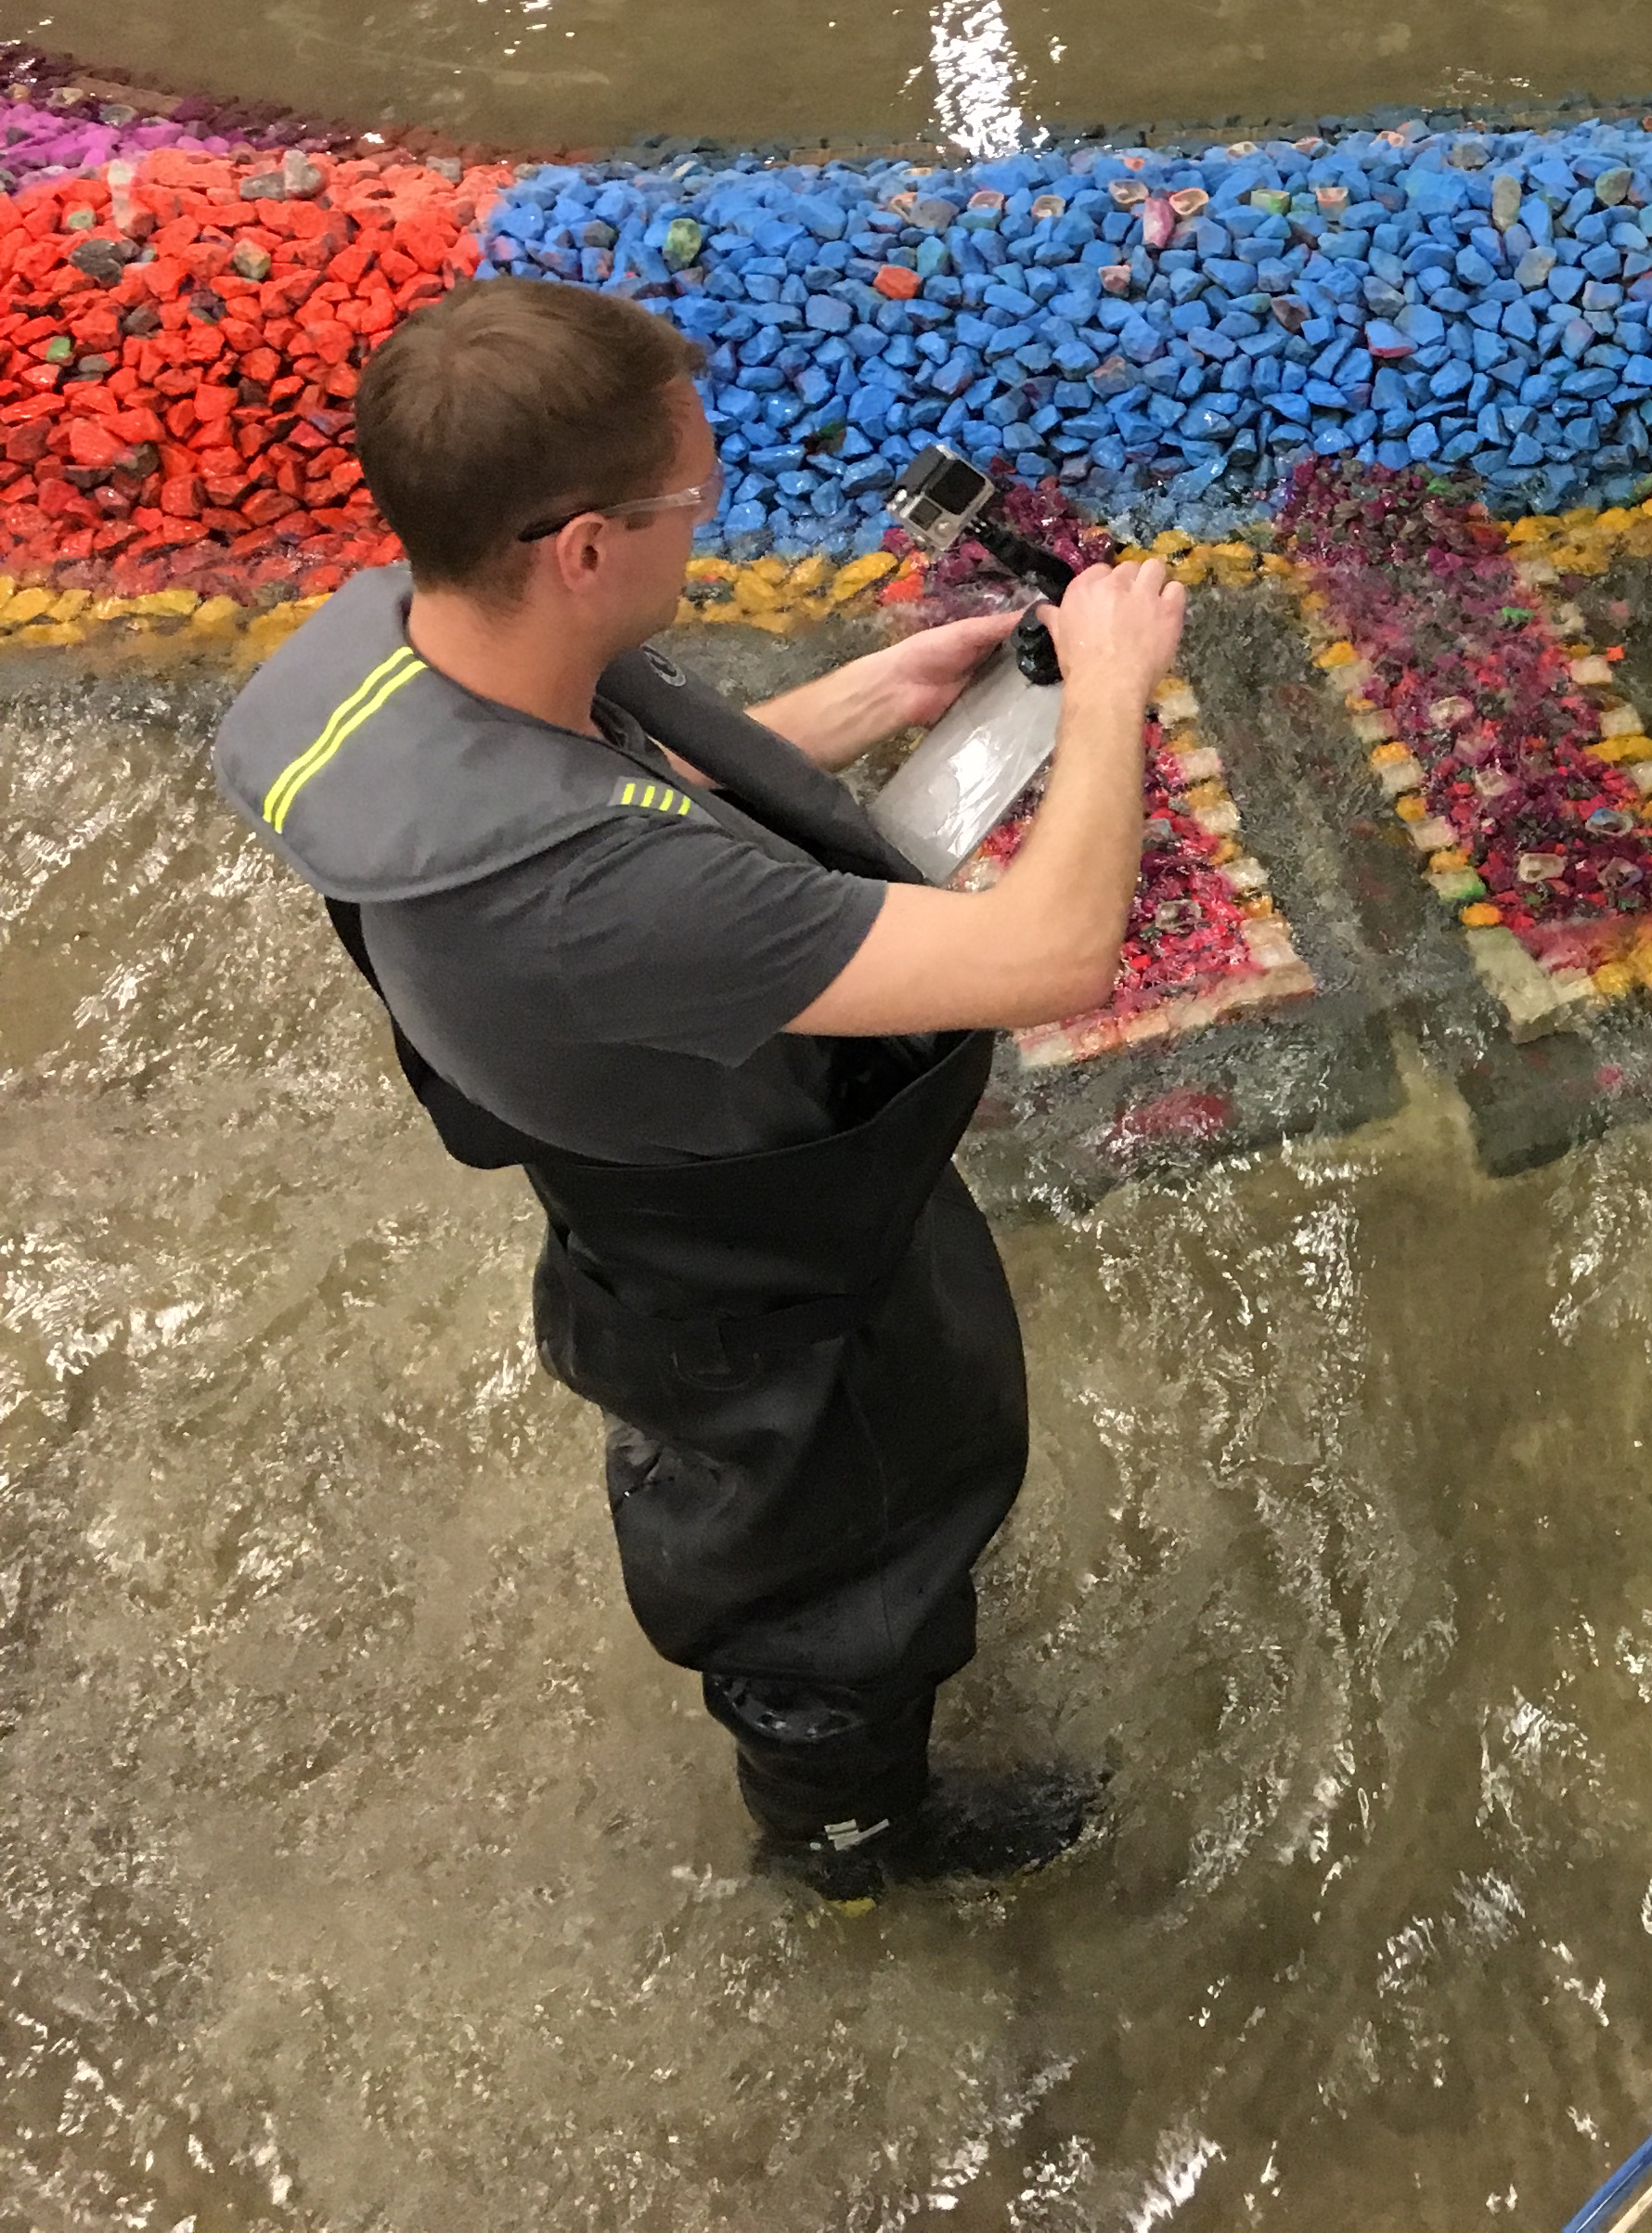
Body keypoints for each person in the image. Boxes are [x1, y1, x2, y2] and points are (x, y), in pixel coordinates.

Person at [213, 278, 1184, 1898]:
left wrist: (882, 696)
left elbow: (625, 804)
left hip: (644, 1213)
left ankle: (843, 1751)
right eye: (685, 504)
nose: (705, 525)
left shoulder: (407, 656)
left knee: (816, 1499)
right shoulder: (596, 908)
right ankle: (858, 1839)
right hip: (767, 1315)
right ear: (582, 549)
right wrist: (1108, 689)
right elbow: (1052, 949)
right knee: (836, 1590)